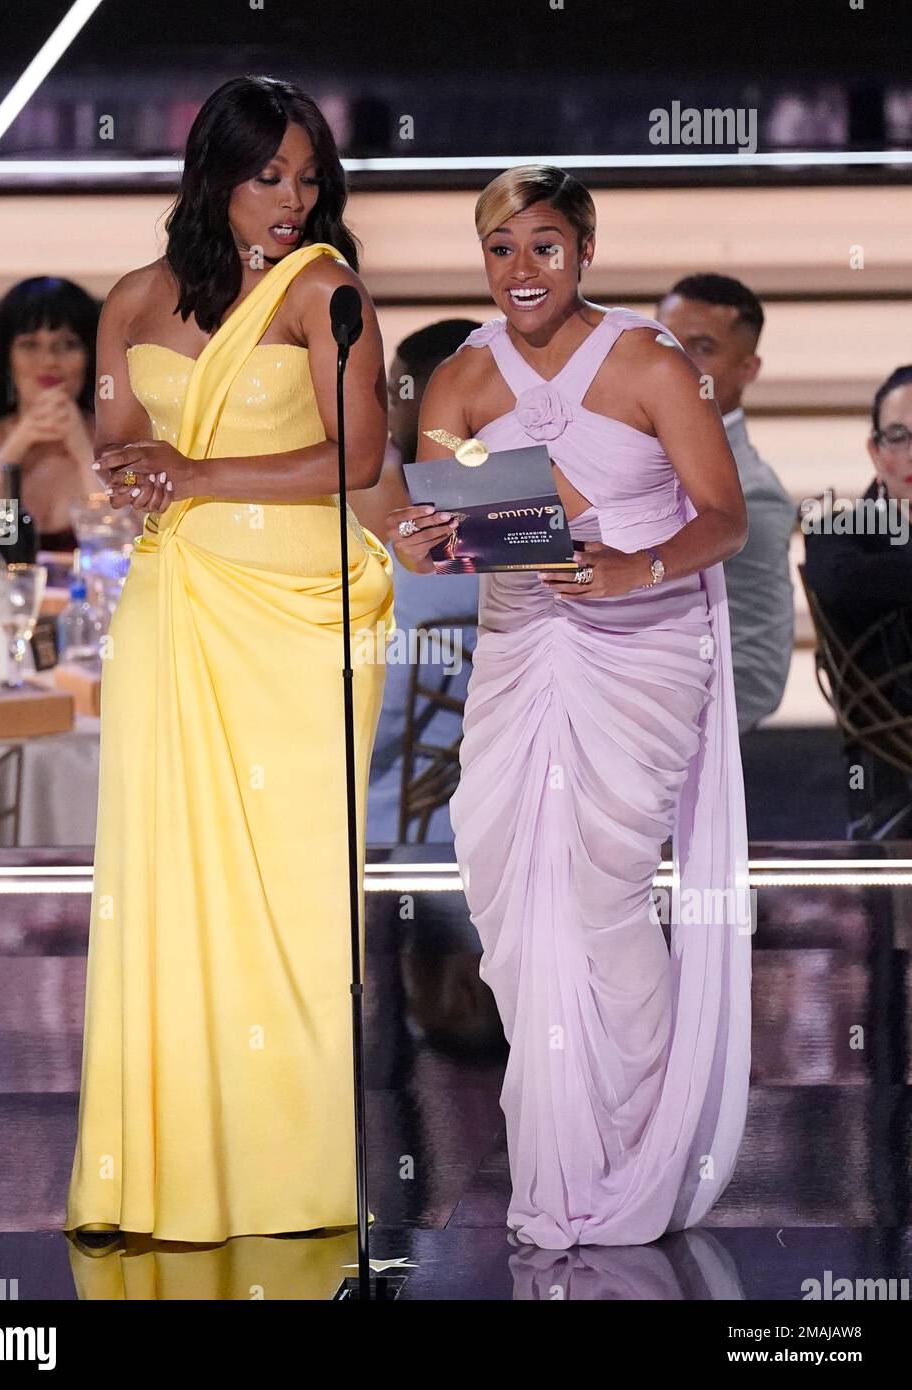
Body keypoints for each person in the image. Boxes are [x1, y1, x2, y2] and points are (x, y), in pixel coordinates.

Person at [387, 164, 752, 1249]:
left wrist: (630, 569)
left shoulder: (647, 360)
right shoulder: (455, 381)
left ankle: (641, 1134)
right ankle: (561, 1153)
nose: (520, 270)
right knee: (510, 899)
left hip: (637, 647)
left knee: (598, 890)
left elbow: (722, 516)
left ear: (582, 250)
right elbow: (447, 524)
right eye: (499, 249)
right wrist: (418, 538)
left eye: (541, 245)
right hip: (517, 648)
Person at [65, 75, 395, 1247]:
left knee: (291, 892)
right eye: (269, 178)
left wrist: (198, 475)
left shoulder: (328, 291)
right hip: (176, 599)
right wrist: (139, 461)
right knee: (167, 879)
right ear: (213, 176)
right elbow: (115, 433)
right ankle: (162, 1176)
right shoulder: (133, 300)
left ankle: (286, 1178)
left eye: (308, 179)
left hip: (301, 611)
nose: (292, 201)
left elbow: (356, 455)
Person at [349, 320, 481, 843]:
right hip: (496, 827)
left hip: (373, 832)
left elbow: (369, 719)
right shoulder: (531, 533)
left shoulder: (411, 567)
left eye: (397, 394)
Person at [657, 274, 795, 733]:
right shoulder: (605, 448)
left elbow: (757, 676)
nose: (673, 364)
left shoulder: (753, 492)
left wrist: (655, 734)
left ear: (748, 369)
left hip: (667, 754)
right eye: (662, 341)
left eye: (701, 348)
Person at [802, 364, 912, 835]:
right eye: (899, 435)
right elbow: (844, 585)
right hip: (889, 778)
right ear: (875, 449)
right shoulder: (837, 533)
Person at [0, 277, 103, 555]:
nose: (49, 360)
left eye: (67, 344)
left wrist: (82, 450)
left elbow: (125, 542)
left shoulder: (112, 431)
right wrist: (16, 445)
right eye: (30, 345)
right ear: (6, 357)